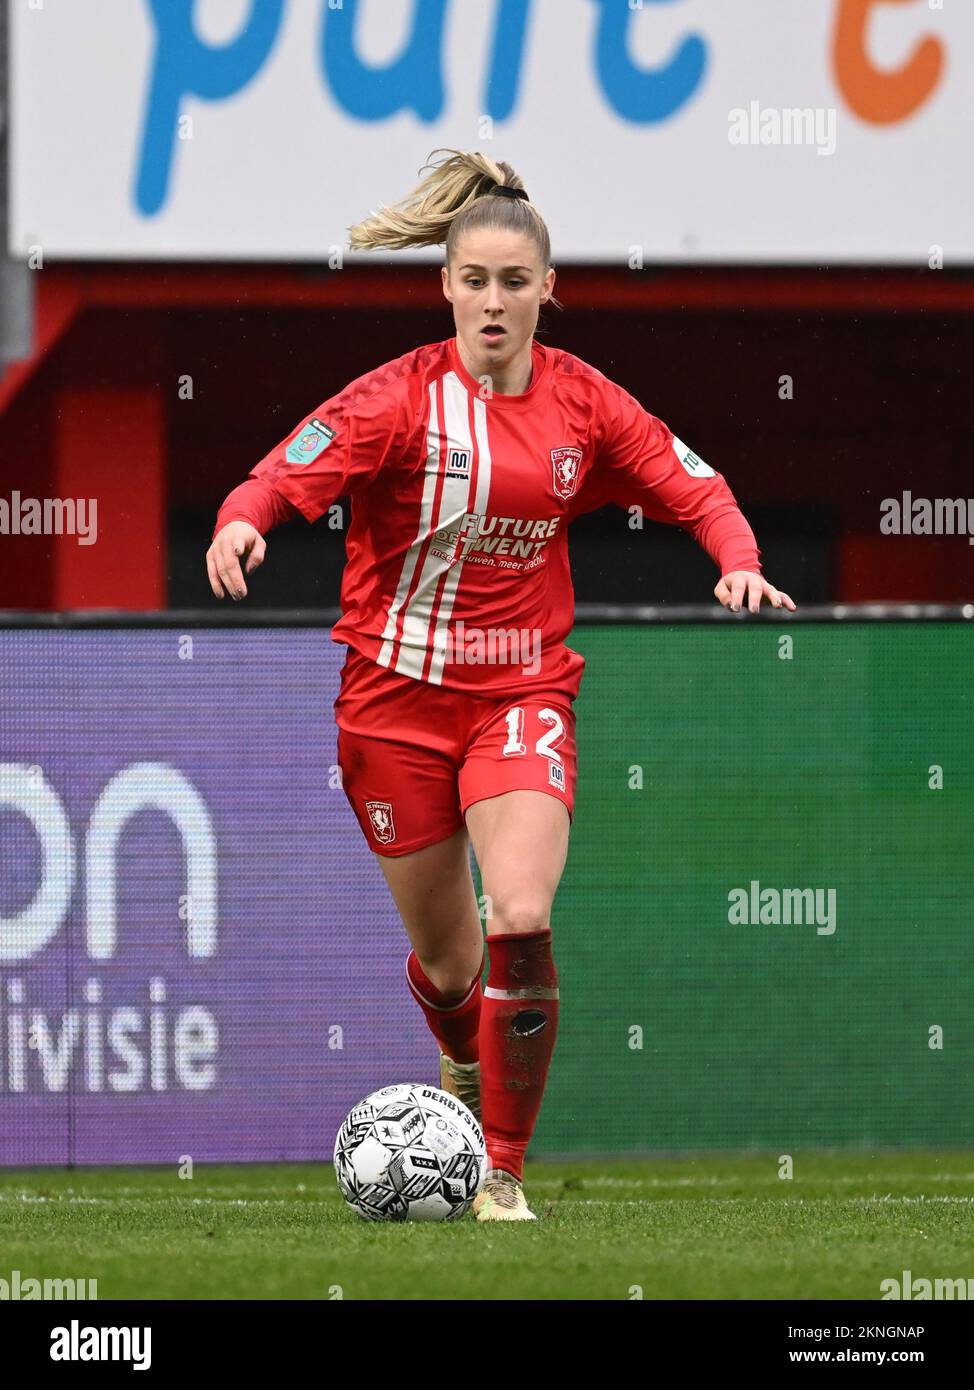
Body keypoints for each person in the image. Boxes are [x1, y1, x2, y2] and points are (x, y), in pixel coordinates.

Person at [206, 149, 796, 1221]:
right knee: (447, 963)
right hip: (389, 705)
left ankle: (503, 1171)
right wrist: (243, 521)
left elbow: (691, 481)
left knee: (519, 910)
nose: (491, 301)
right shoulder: (395, 399)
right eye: (471, 280)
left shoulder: (581, 402)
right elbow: (288, 469)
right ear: (443, 285)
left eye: (512, 283)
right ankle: (462, 1065)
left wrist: (737, 557)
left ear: (544, 292)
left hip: (520, 693)